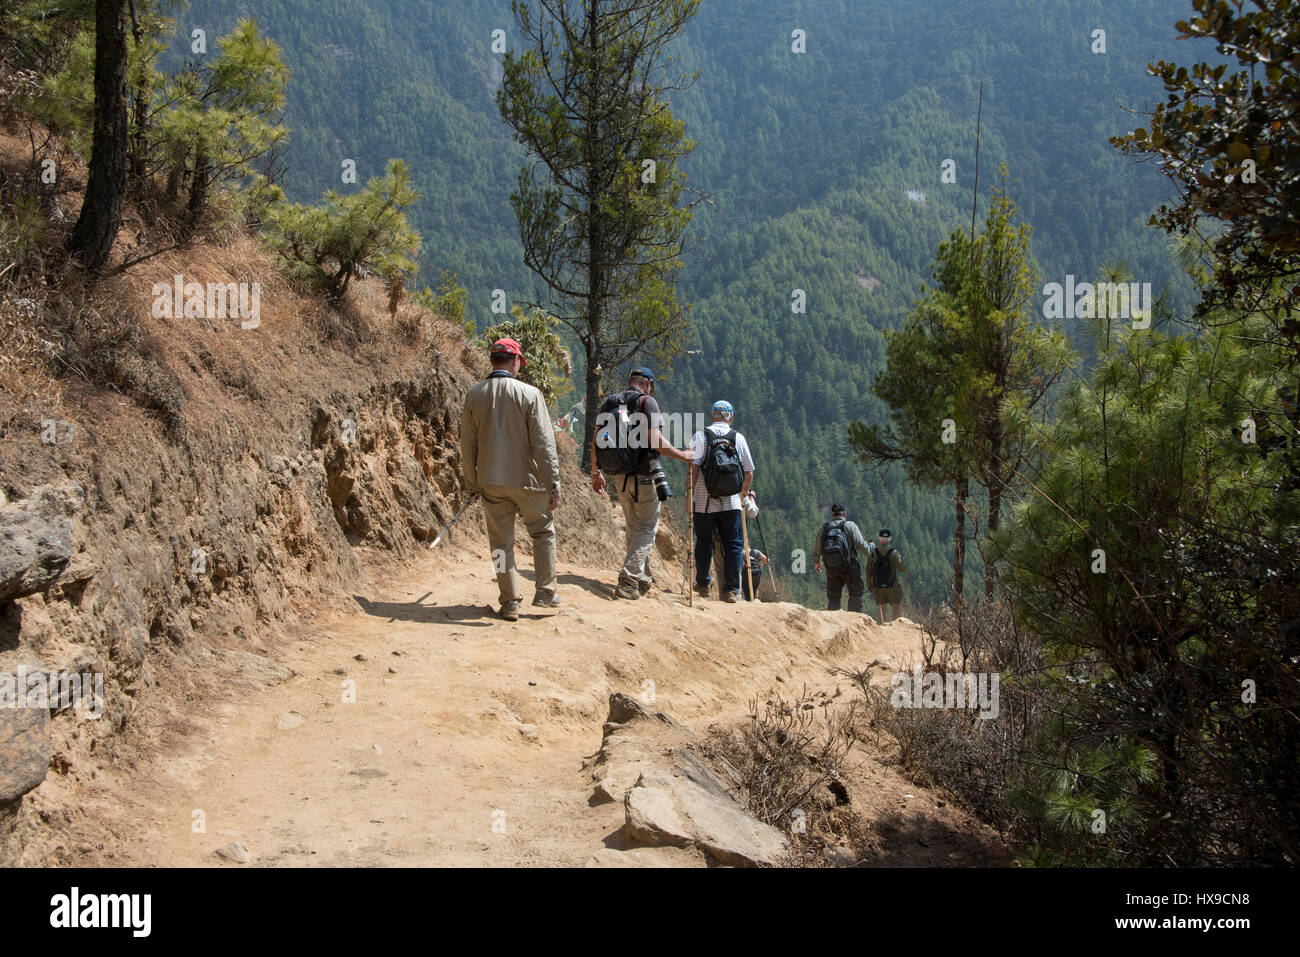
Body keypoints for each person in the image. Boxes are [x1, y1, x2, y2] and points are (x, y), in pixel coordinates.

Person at [459, 337, 561, 622]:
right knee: (542, 532)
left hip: (491, 481)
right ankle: (545, 592)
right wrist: (553, 484)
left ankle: (510, 602)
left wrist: (472, 484)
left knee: (501, 543)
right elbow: (543, 444)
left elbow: (468, 446)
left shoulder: (474, 395)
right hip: (528, 481)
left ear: (492, 361)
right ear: (516, 361)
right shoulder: (530, 394)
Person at [591, 367, 693, 600]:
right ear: (647, 383)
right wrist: (682, 455)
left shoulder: (610, 402)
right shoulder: (648, 404)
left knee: (633, 527)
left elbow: (597, 440)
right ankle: (628, 580)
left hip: (619, 476)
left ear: (630, 381)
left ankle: (643, 579)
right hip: (646, 477)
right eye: (651, 386)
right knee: (646, 529)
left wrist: (596, 472)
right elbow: (656, 441)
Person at [689, 400, 754, 603]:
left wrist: (689, 494)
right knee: (734, 545)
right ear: (731, 417)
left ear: (712, 416)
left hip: (704, 502)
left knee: (704, 542)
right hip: (732, 503)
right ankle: (732, 590)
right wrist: (742, 493)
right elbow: (749, 471)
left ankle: (703, 583)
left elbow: (694, 467)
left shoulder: (701, 436)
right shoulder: (738, 438)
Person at [813, 503, 872, 613]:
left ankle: (834, 622)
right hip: (849, 566)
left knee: (834, 596)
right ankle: (854, 620)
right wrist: (871, 553)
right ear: (844, 513)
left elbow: (817, 548)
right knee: (855, 592)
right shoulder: (849, 525)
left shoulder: (824, 528)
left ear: (832, 514)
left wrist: (817, 562)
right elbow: (861, 545)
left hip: (831, 567)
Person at [870, 528, 908, 623]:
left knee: (881, 607)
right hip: (892, 585)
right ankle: (896, 628)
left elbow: (868, 571)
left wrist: (870, 586)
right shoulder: (893, 553)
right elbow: (902, 569)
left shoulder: (874, 553)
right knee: (896, 606)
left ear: (879, 538)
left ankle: (881, 628)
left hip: (878, 586)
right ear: (889, 539)